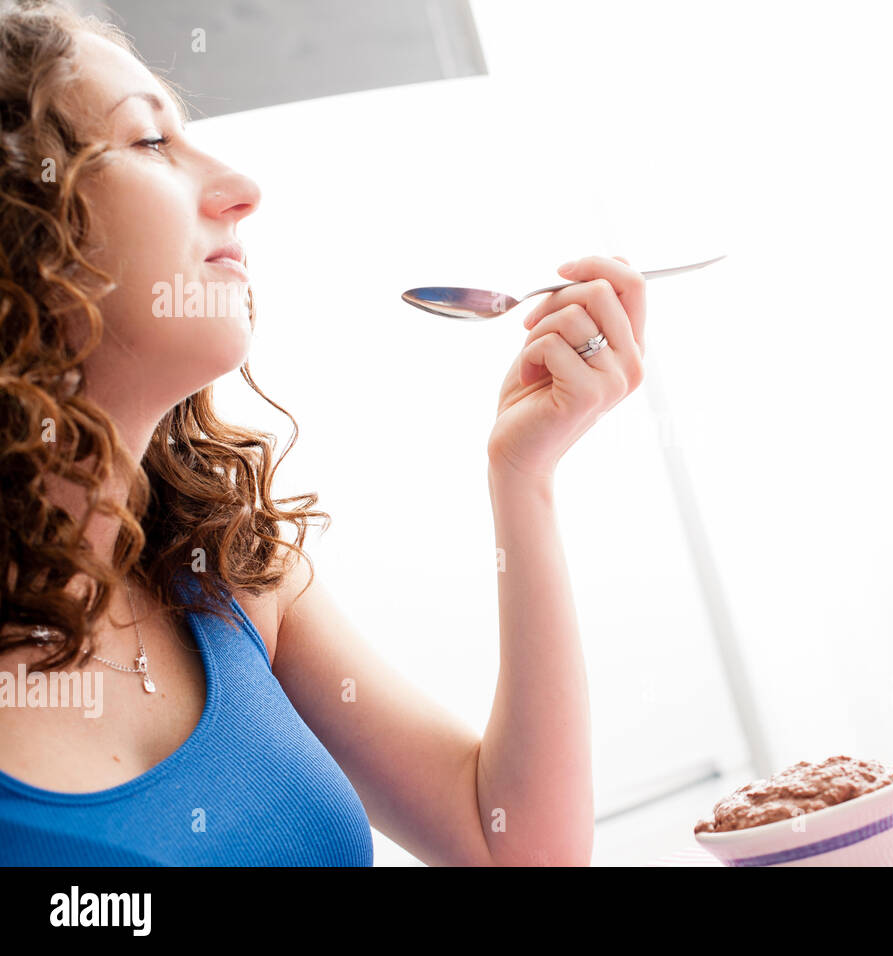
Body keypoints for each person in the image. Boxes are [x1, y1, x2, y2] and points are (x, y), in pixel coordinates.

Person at [0, 0, 647, 866]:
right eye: (152, 141)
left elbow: (514, 847)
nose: (240, 187)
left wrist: (522, 474)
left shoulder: (220, 574)